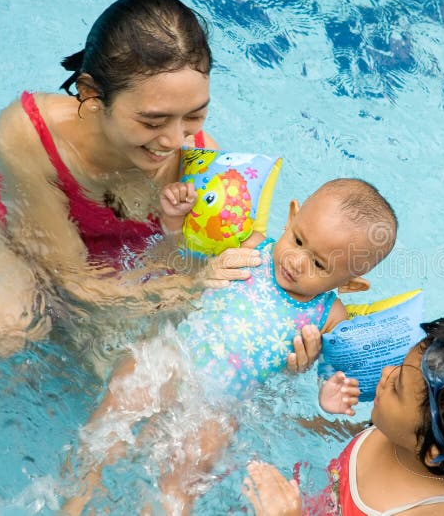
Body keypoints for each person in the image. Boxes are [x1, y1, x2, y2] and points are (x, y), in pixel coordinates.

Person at [0, 0, 321, 395]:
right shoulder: (31, 135)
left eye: (195, 115)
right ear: (91, 94)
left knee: (130, 376)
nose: (175, 140)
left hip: (107, 256)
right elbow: (71, 283)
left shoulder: (201, 163)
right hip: (5, 221)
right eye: (153, 122)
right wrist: (194, 283)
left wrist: (287, 340)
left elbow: (245, 266)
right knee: (10, 323)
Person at [64, 178, 398, 514]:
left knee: (178, 488)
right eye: (298, 240)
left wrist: (328, 392)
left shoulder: (329, 316)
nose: (297, 262)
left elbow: (333, 371)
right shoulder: (249, 245)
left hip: (218, 408)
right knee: (107, 429)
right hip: (171, 360)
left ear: (350, 284)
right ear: (291, 216)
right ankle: (76, 501)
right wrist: (173, 221)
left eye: (319, 264)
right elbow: (184, 258)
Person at [241, 319, 444, 515]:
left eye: (398, 387)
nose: (386, 373)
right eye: (400, 365)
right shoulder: (401, 433)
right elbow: (359, 438)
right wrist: (320, 417)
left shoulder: (429, 511)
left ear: (432, 451)